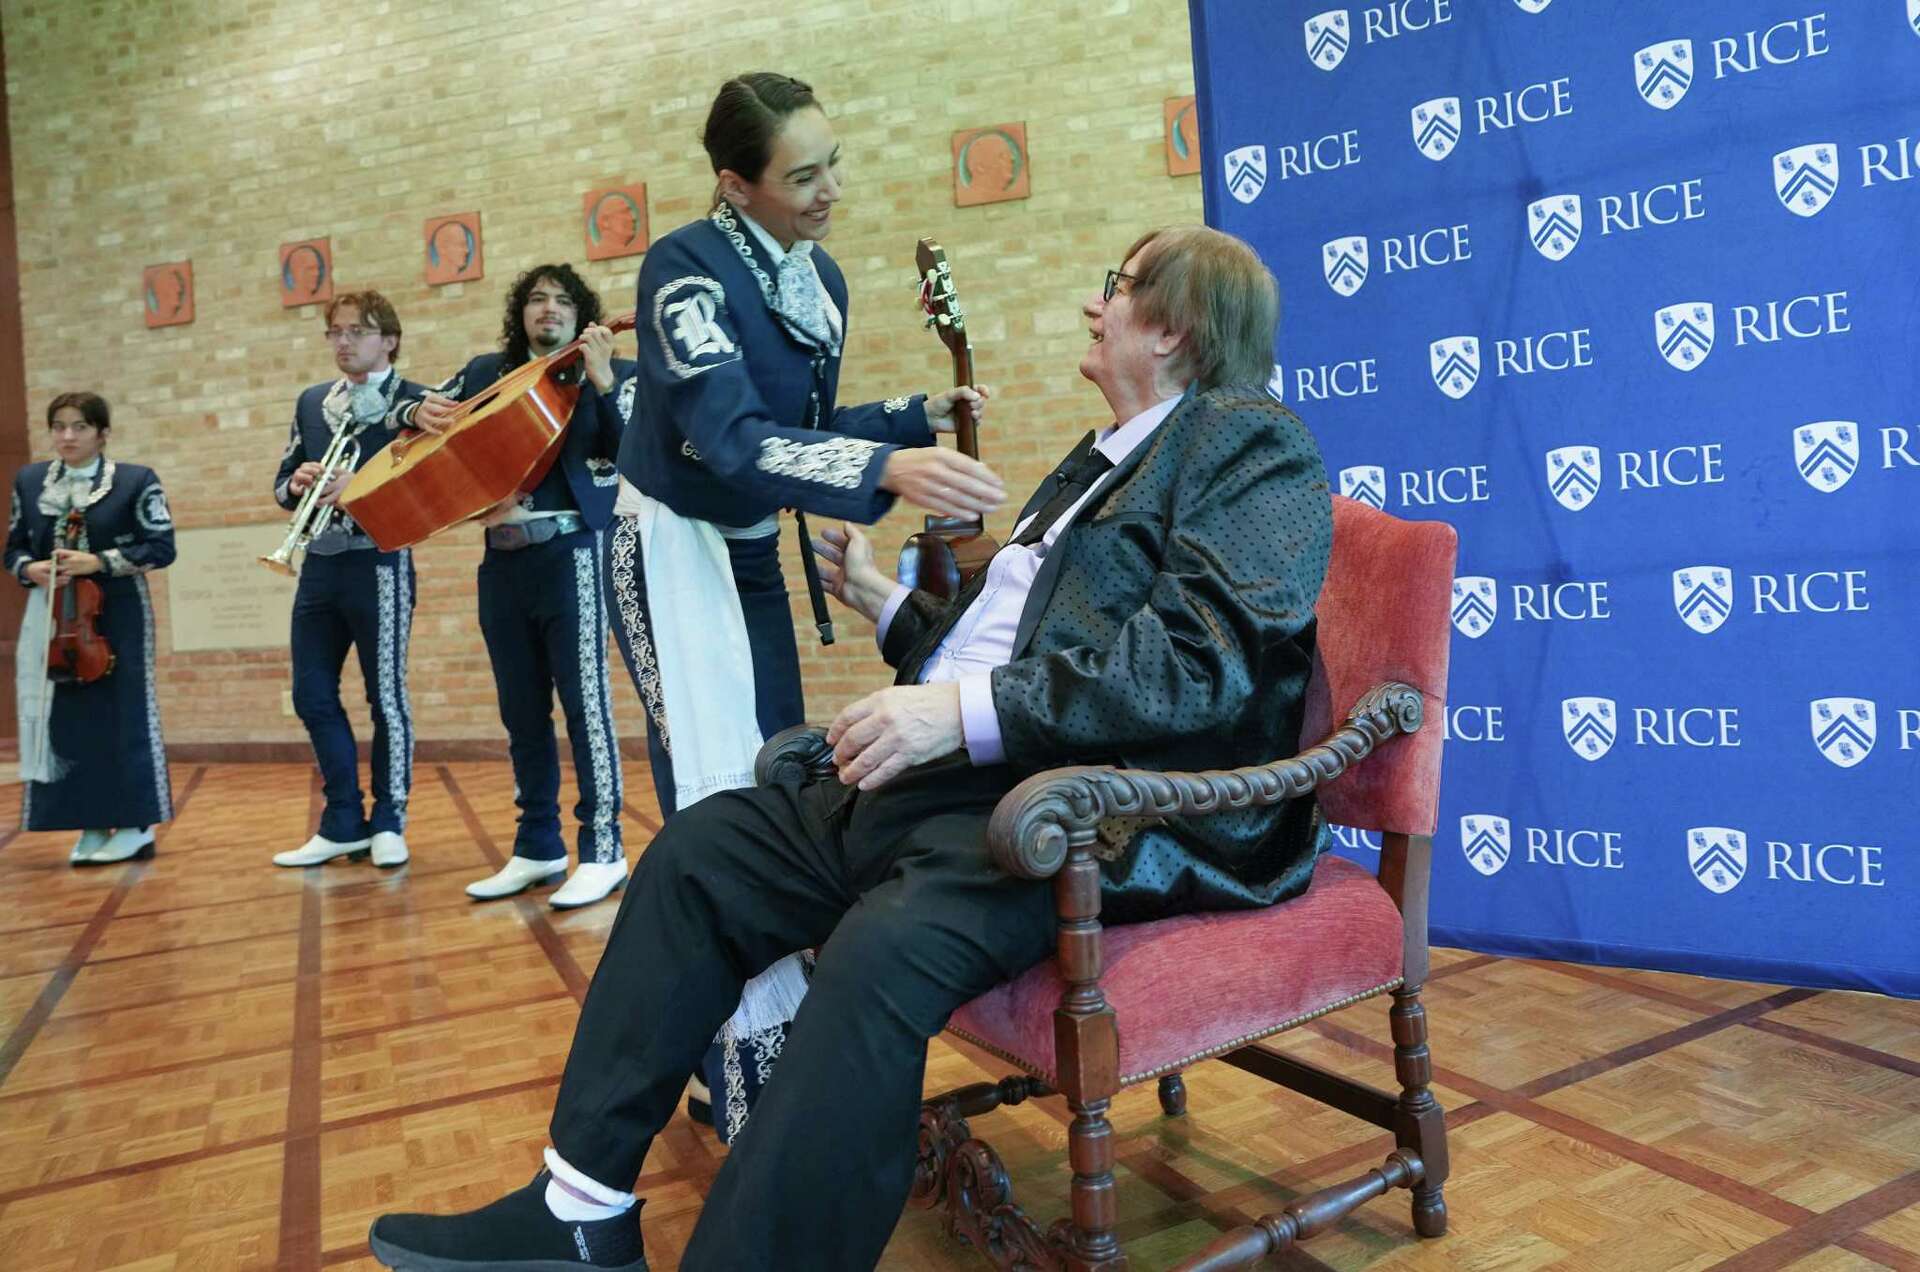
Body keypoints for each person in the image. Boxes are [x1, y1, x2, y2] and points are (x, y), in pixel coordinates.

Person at [369, 224, 1333, 1272]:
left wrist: (953, 715)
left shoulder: (1246, 438)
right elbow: (1022, 642)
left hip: (1105, 805)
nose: (1091, 308)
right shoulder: (1103, 456)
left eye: (1119, 288)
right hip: (979, 773)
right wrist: (885, 608)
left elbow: (1196, 666)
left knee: (882, 949)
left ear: (1177, 330)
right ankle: (579, 1208)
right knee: (703, 854)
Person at [606, 69, 1002, 1138]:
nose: (830, 189)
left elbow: (799, 421)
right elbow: (729, 438)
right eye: (803, 174)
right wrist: (890, 467)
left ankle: (755, 1043)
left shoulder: (816, 275)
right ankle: (736, 1076)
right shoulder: (682, 272)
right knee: (715, 795)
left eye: (835, 163)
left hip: (743, 545)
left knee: (776, 777)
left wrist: (912, 416)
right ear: (736, 184)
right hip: (673, 547)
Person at [397, 264, 635, 910]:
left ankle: (604, 850)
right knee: (520, 710)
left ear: (580, 313)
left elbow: (637, 451)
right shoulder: (485, 372)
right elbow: (407, 412)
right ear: (520, 313)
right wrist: (415, 408)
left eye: (562, 301)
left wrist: (608, 381)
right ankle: (538, 844)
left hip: (572, 553)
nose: (548, 310)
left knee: (586, 705)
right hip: (500, 561)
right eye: (536, 299)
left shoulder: (606, 370)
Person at [270, 291, 429, 871]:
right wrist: (297, 484)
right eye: (335, 332)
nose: (343, 342)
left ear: (388, 339)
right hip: (320, 561)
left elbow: (429, 490)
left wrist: (359, 485)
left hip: (380, 562)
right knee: (311, 694)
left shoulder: (417, 401)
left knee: (385, 696)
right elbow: (283, 479)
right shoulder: (314, 403)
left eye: (357, 331)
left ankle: (389, 819)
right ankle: (341, 819)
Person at [7, 393, 177, 865]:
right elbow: (13, 549)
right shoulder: (30, 481)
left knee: (124, 715)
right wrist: (30, 569)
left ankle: (136, 823)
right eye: (58, 426)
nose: (67, 436)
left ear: (102, 433)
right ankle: (91, 821)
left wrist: (98, 561)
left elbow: (161, 548)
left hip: (118, 613)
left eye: (79, 427)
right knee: (71, 721)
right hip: (55, 618)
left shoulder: (135, 481)